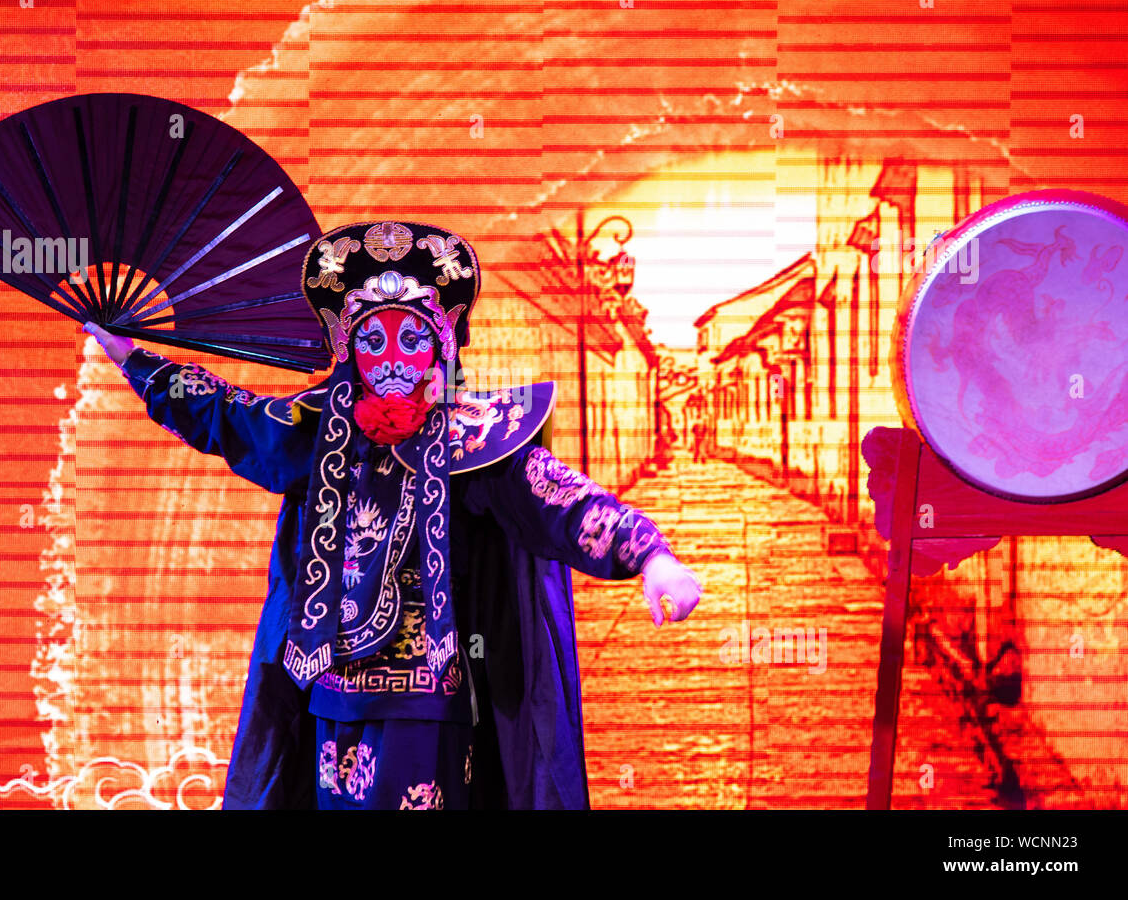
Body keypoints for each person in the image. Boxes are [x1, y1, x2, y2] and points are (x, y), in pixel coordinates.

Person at [86, 220, 703, 809]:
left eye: (411, 340)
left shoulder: (475, 437)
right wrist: (135, 360)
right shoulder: (319, 428)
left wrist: (649, 554)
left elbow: (559, 497)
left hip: (429, 701)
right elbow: (235, 417)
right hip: (327, 692)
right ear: (350, 350)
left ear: (439, 350)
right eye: (372, 340)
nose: (389, 359)